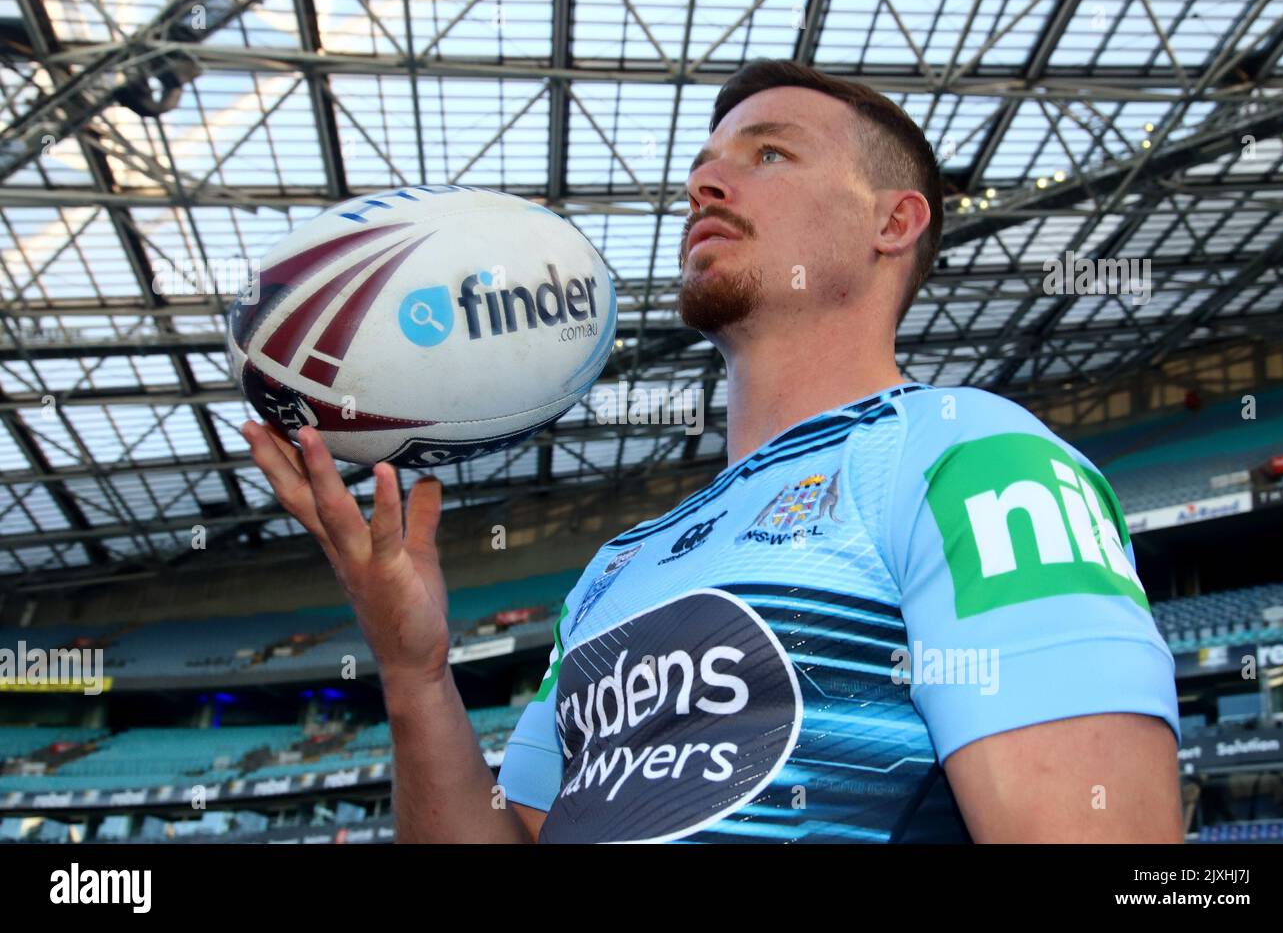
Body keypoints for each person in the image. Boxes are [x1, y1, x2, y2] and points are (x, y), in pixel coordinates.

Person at [241, 59, 1183, 843]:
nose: (705, 183)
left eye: (768, 152)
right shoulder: (621, 567)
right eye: (702, 164)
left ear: (893, 223)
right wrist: (414, 675)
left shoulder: (972, 457)